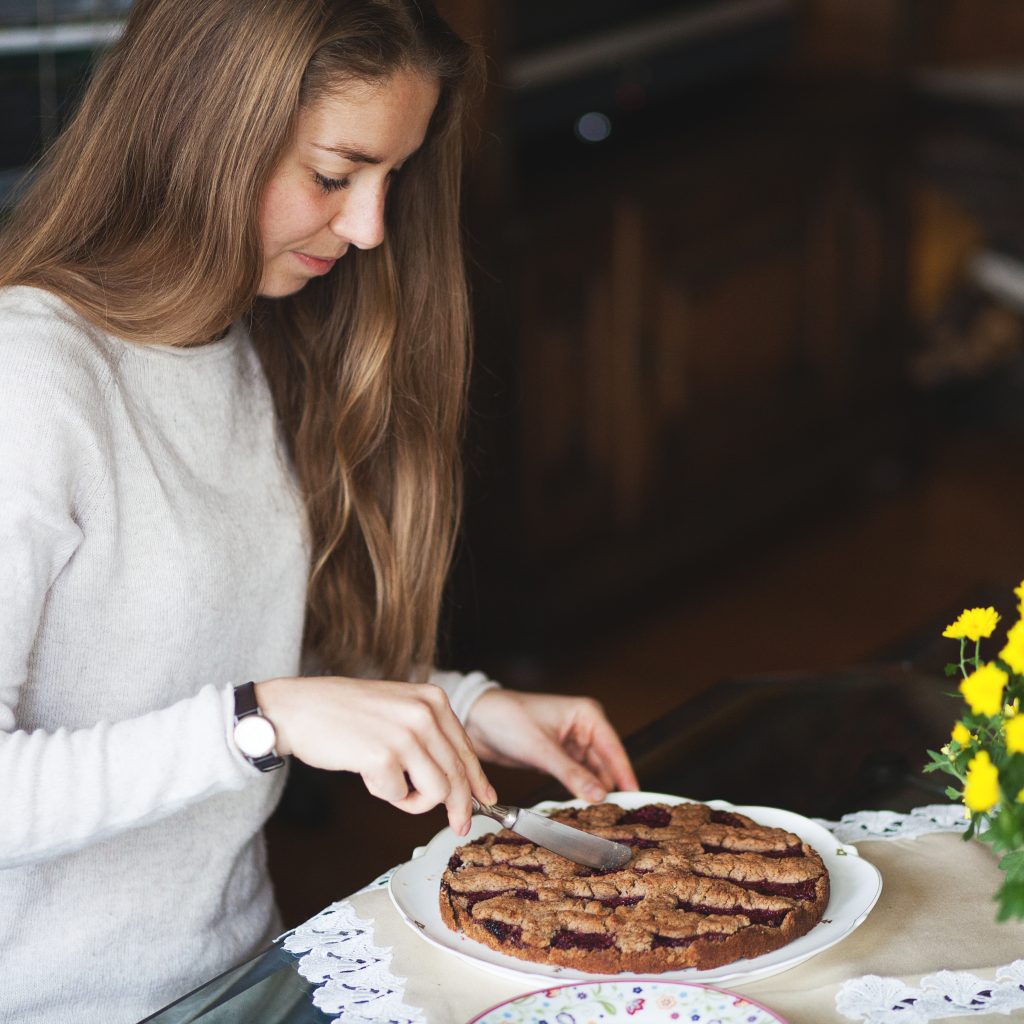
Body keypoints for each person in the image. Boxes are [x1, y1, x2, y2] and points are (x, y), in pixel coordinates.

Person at [0, 1, 639, 1021]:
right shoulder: (27, 377)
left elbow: (207, 670)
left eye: (391, 179)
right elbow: (240, 711)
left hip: (241, 977)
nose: (370, 227)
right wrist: (262, 720)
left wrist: (461, 704)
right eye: (335, 176)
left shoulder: (245, 342)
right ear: (198, 127)